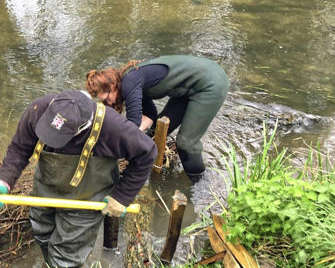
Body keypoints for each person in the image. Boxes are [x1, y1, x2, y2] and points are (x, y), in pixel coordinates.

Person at [0, 90, 156, 268]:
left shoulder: (114, 128)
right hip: (45, 189)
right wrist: (4, 181)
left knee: (67, 255)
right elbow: (20, 148)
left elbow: (147, 154)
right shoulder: (38, 110)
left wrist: (122, 196)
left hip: (87, 197)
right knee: (41, 231)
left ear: (82, 127)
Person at [85, 55, 228, 182]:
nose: (109, 103)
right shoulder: (131, 82)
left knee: (185, 143)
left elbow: (132, 126)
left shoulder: (129, 82)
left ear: (112, 86)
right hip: (186, 89)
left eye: (107, 98)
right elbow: (150, 116)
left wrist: (109, 151)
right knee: (156, 132)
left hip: (210, 83)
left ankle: (200, 182)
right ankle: (152, 171)